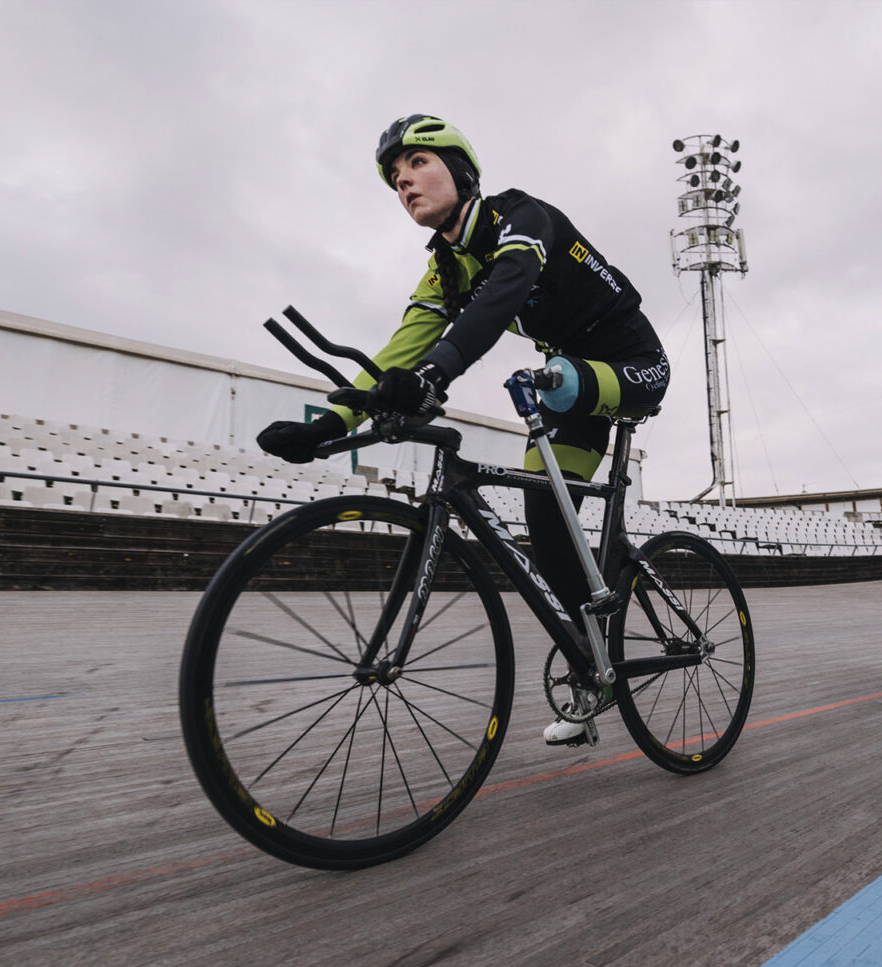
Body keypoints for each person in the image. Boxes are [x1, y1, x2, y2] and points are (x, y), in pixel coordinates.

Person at [257, 114, 669, 747]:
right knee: (545, 512)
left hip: (633, 364)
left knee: (554, 377)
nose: (406, 185)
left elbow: (499, 298)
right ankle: (594, 663)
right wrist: (333, 422)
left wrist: (436, 376)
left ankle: (620, 577)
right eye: (395, 180)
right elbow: (403, 348)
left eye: (418, 165)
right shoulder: (444, 270)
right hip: (571, 377)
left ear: (462, 170)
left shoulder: (524, 217)